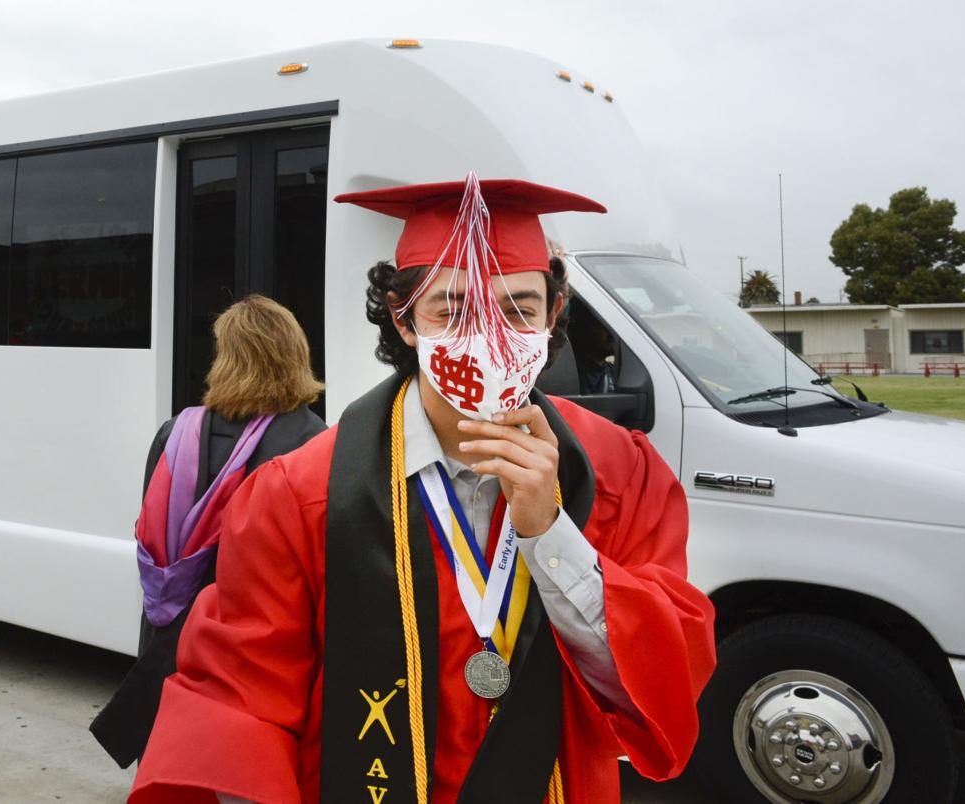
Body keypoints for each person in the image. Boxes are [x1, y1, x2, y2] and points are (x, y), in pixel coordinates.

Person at [129, 175, 716, 803]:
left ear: (553, 315)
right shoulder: (299, 492)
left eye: (518, 310)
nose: (488, 339)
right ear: (404, 319)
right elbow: (242, 699)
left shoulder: (621, 472)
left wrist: (552, 536)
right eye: (453, 310)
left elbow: (658, 683)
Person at [91, 294, 327, 768]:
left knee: (174, 754)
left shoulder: (176, 432)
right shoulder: (311, 441)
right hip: (256, 637)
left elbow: (150, 533)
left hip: (173, 630)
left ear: (226, 358)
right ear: (293, 353)